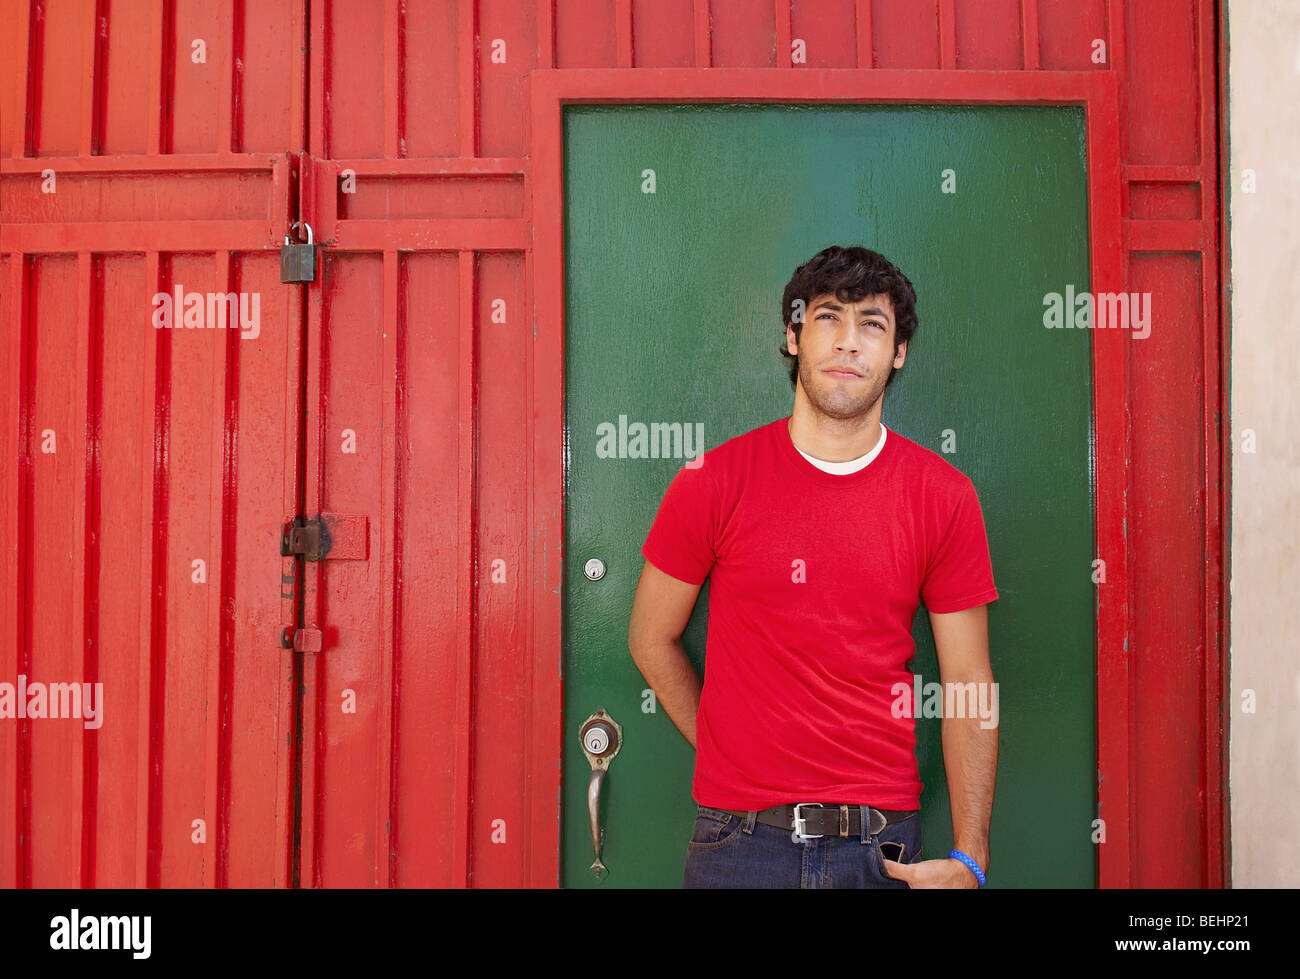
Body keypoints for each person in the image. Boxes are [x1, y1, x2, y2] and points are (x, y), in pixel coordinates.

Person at [627, 245, 999, 889]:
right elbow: (650, 639)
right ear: (794, 337)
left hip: (883, 850)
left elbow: (968, 679)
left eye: (873, 325)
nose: (849, 342)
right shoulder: (712, 481)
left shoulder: (944, 496)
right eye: (828, 317)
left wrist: (971, 857)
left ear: (898, 352)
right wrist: (725, 753)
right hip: (737, 841)